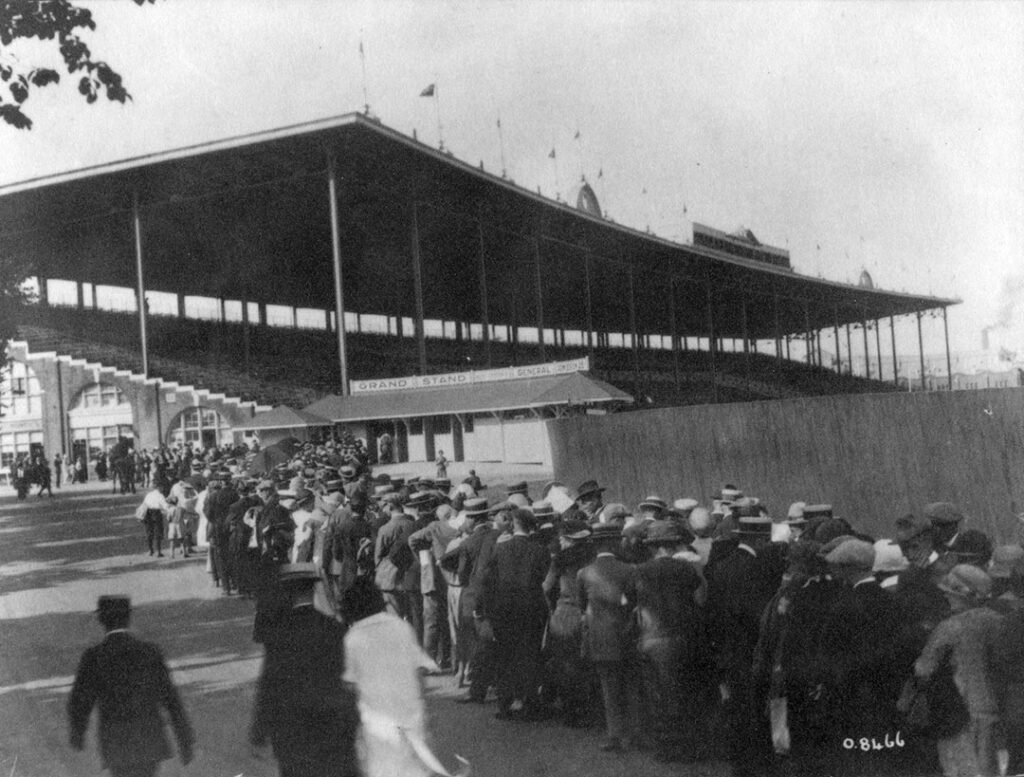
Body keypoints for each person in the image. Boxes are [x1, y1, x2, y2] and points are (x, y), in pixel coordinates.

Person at [342, 576, 467, 777]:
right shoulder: (401, 627)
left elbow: (350, 687)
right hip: (411, 721)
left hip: (377, 729)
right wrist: (423, 709)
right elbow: (419, 673)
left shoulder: (352, 638)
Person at [250, 563, 360, 777]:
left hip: (292, 733)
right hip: (331, 728)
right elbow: (350, 680)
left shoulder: (279, 634)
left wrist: (259, 732)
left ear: (289, 593)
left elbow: (269, 683)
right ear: (313, 590)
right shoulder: (335, 629)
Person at [68, 596, 194, 777]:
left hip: (116, 745)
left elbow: (80, 701)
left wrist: (77, 733)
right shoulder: (150, 652)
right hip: (148, 741)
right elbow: (171, 699)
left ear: (101, 620)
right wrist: (185, 740)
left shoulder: (94, 657)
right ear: (128, 618)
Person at [480, 506, 552, 721]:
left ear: (513, 525)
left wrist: (486, 610)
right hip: (531, 608)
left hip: (504, 609)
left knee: (505, 654)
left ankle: (505, 703)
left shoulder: (500, 548)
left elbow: (488, 580)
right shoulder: (540, 550)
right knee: (530, 653)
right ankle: (530, 703)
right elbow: (545, 580)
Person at [578, 521, 640, 752]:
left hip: (600, 637)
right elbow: (633, 601)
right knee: (631, 685)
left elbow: (582, 604)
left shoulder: (585, 572)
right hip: (626, 633)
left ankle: (614, 735)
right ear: (614, 543)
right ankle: (634, 734)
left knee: (609, 688)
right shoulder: (630, 570)